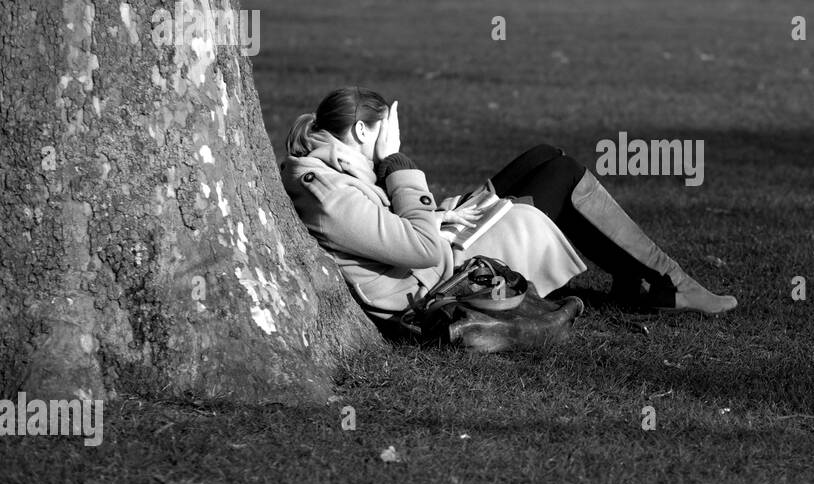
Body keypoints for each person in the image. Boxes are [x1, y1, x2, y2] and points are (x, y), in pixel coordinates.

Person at [279, 88, 737, 330]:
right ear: (361, 131)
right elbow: (416, 249)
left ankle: (631, 277)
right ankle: (667, 282)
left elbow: (385, 229)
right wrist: (398, 163)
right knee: (563, 177)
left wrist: (437, 214)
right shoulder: (326, 189)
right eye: (383, 132)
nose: (388, 141)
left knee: (543, 157)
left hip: (439, 255)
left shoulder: (330, 170)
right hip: (442, 285)